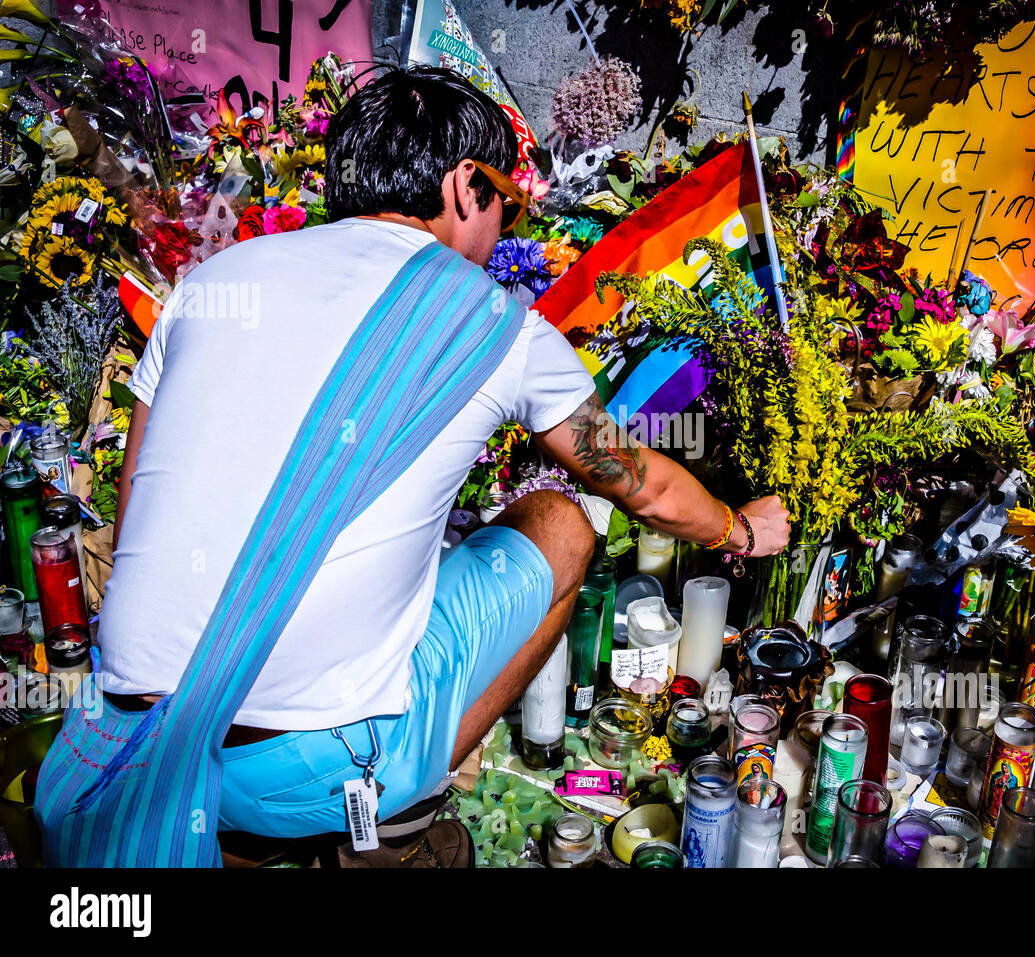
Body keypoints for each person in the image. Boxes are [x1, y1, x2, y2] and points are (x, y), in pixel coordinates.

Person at [37, 66, 790, 851]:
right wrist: (739, 528)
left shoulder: (209, 284)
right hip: (301, 776)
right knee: (565, 524)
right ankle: (399, 817)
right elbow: (645, 485)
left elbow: (135, 503)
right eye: (511, 201)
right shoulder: (496, 325)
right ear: (467, 185)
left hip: (131, 745)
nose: (509, 229)